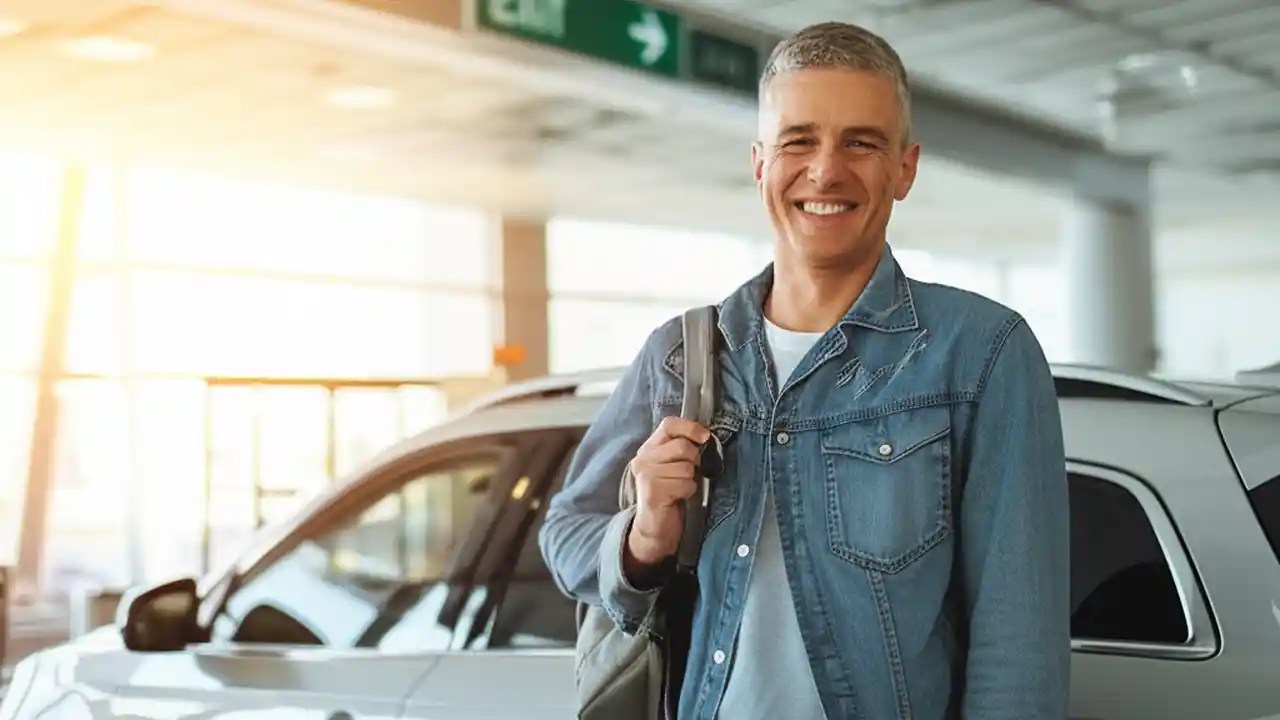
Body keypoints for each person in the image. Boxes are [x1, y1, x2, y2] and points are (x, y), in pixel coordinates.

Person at [539, 20, 1070, 720]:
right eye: (799, 141)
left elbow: (1019, 647)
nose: (826, 171)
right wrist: (641, 540)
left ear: (904, 168)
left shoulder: (980, 353)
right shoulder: (682, 356)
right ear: (760, 163)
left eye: (861, 142)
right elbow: (567, 532)